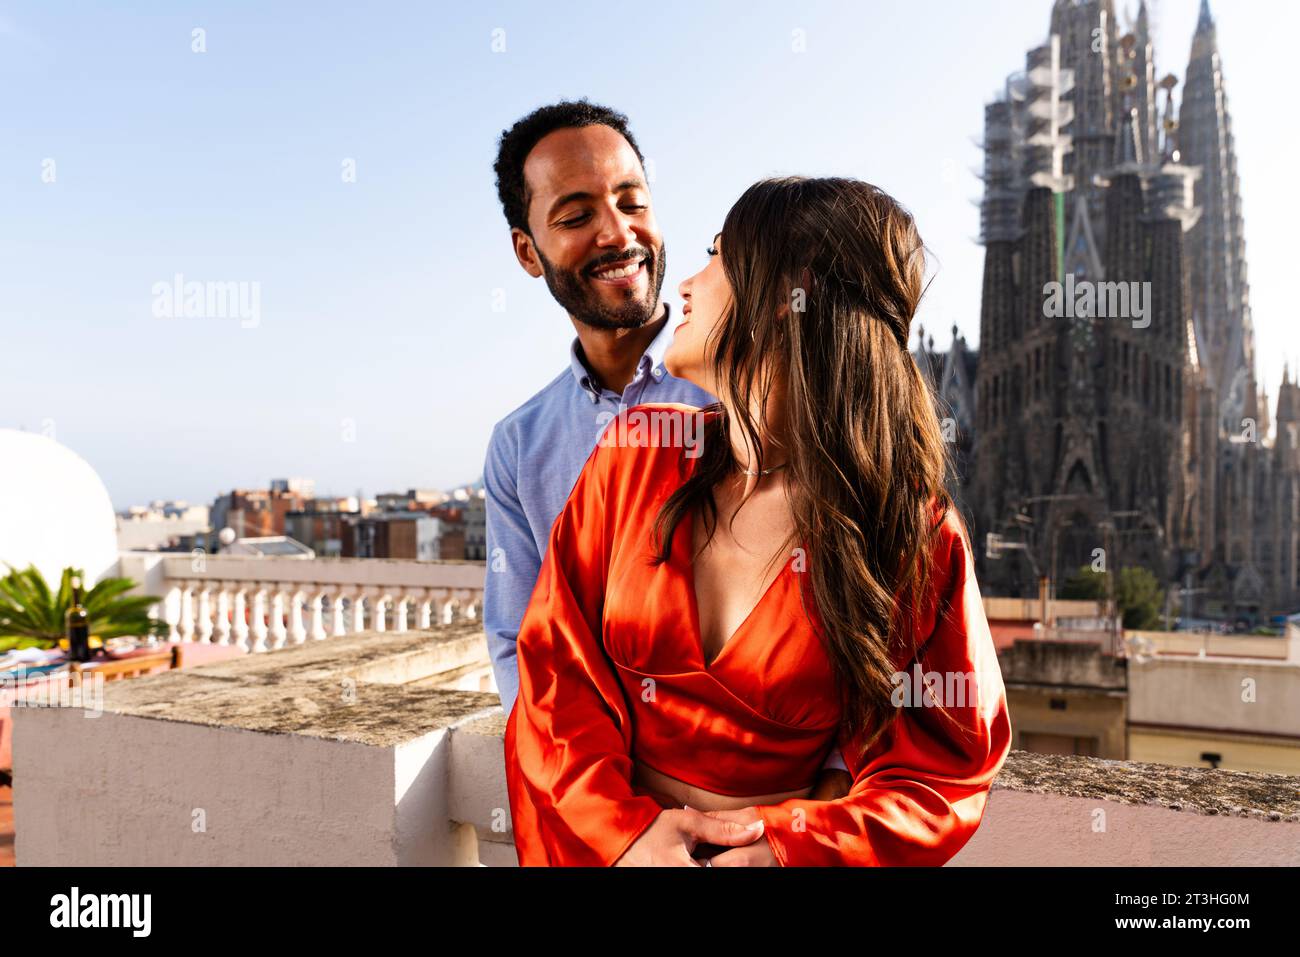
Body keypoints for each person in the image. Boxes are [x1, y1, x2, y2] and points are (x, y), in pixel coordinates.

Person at [504, 176, 1013, 866]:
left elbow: (939, 773)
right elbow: (552, 677)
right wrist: (626, 835)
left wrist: (780, 850)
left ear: (786, 292)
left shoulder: (912, 531)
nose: (682, 284)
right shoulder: (634, 453)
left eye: (716, 254)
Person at [482, 101, 853, 805]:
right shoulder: (519, 447)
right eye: (575, 215)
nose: (618, 233)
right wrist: (609, 813)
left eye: (632, 201)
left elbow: (862, 616)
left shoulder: (747, 391)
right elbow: (519, 642)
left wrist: (823, 789)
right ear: (528, 251)